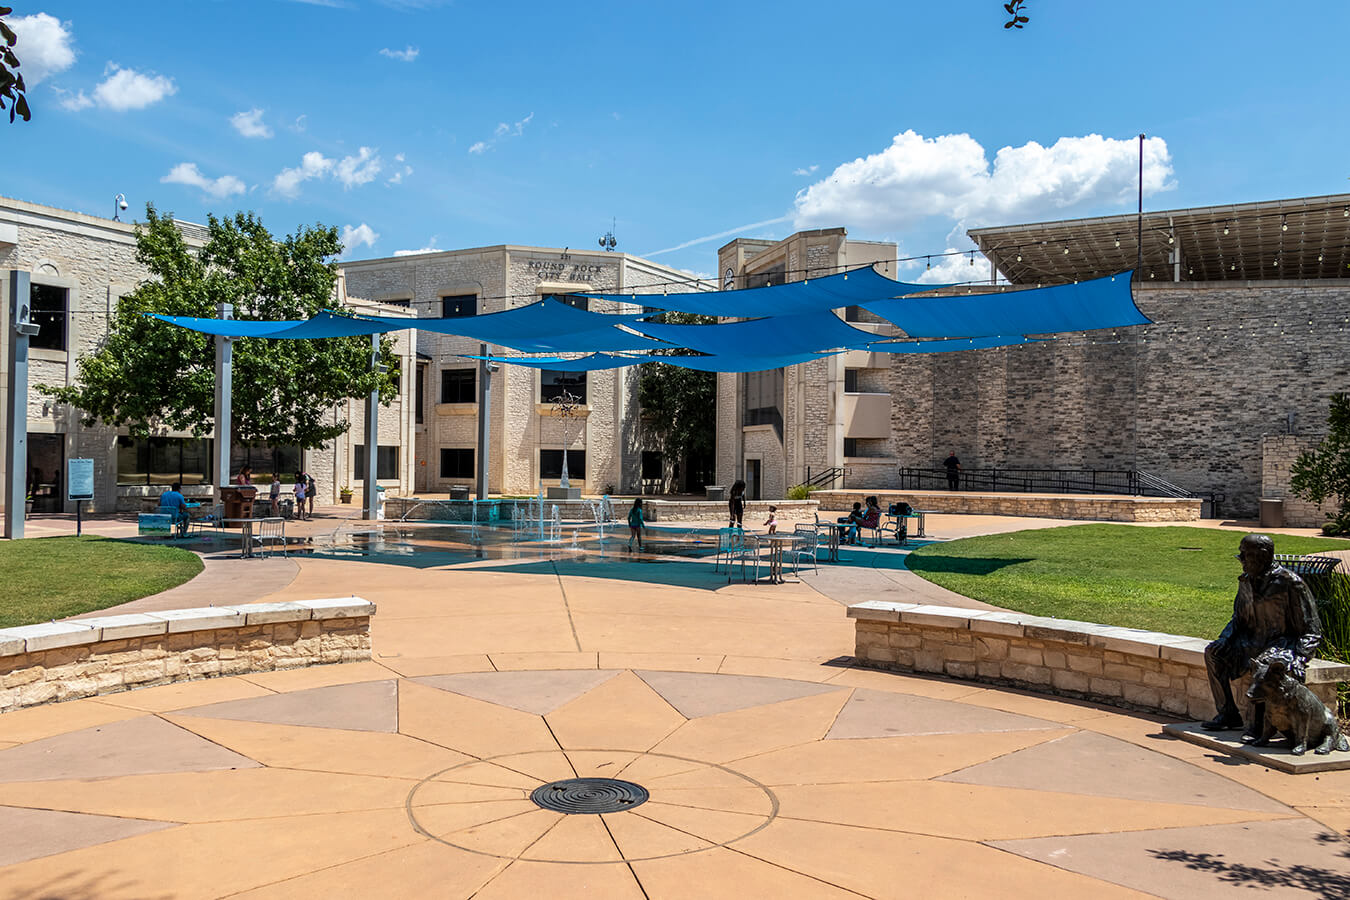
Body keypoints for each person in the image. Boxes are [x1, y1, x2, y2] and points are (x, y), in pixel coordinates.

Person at [1202, 533, 1323, 739]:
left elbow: (1312, 629)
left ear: (1264, 555)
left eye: (1245, 554)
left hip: (1281, 644)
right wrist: (1225, 639)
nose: (1240, 559)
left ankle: (1257, 728)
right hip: (1251, 641)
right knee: (1213, 653)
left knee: (1263, 665)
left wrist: (1301, 657)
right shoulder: (1246, 581)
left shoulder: (1290, 583)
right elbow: (1238, 619)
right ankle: (1228, 713)